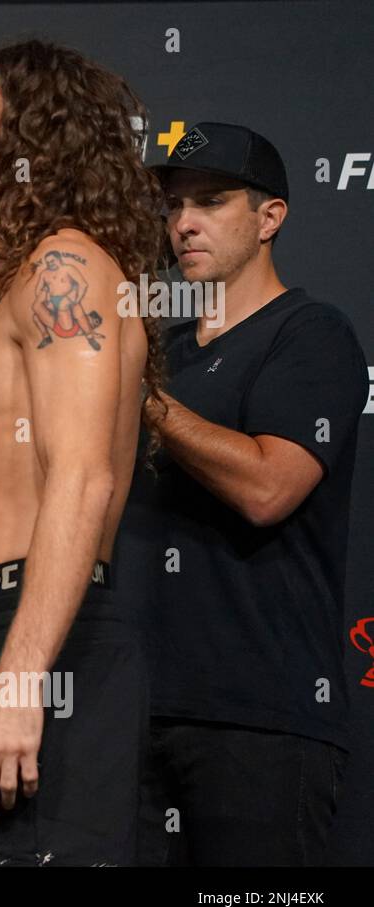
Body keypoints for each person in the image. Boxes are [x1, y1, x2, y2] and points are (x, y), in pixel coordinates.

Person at [0, 39, 166, 865]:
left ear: (30, 142)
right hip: (3, 636)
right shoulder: (30, 275)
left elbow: (83, 477)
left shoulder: (65, 265)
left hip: (43, 641)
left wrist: (24, 680)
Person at [126, 122, 367, 865]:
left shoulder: (311, 334)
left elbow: (268, 487)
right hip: (136, 717)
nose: (184, 222)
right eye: (174, 206)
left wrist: (143, 397)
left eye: (212, 200)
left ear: (270, 218)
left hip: (261, 717)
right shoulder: (160, 349)